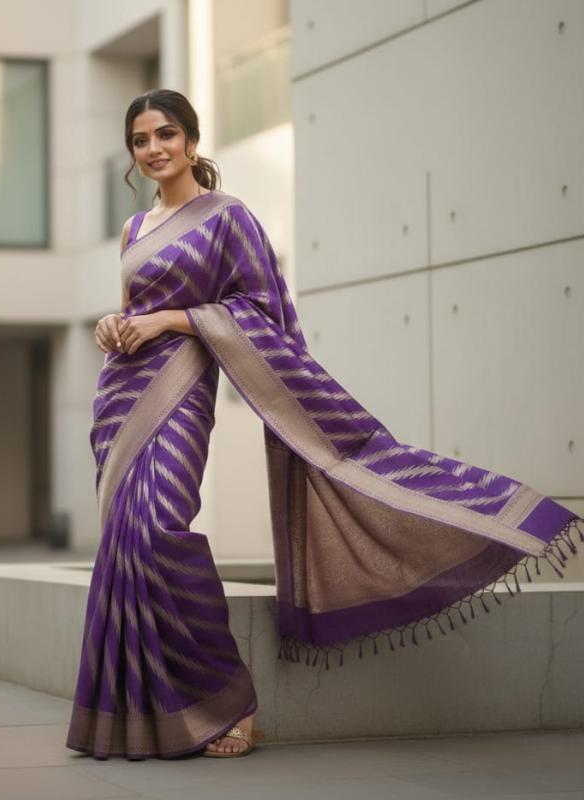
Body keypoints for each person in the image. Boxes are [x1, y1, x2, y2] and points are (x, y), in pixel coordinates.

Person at [65, 89, 583, 761]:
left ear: (192, 141)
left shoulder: (229, 218)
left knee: (161, 529)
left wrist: (169, 320)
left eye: (167, 133)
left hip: (183, 389)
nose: (155, 147)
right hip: (123, 395)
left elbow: (254, 307)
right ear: (133, 153)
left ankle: (229, 702)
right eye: (141, 139)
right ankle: (143, 711)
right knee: (126, 543)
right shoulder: (135, 231)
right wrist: (115, 322)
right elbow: (134, 309)